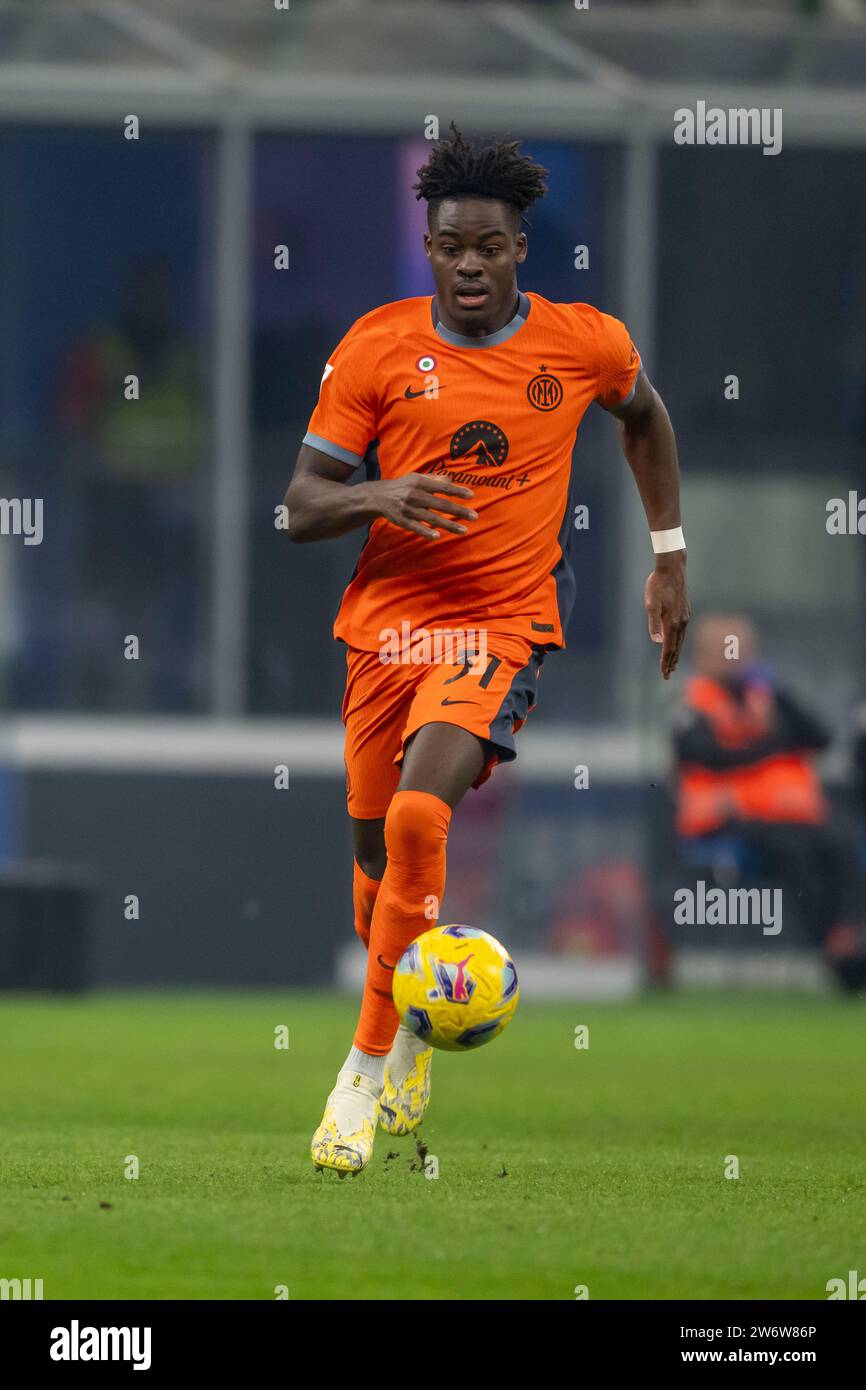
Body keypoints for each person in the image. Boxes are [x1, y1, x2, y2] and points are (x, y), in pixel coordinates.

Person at [283, 125, 689, 1175]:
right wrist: (379, 491)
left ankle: (359, 1077)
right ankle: (418, 1015)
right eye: (448, 245)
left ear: (520, 249)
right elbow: (296, 508)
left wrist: (668, 555)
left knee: (422, 812)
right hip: (384, 631)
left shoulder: (580, 343)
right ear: (426, 246)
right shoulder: (376, 348)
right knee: (374, 867)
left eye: (488, 246)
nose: (467, 262)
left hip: (500, 625)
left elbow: (642, 418)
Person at [674, 614, 866, 983]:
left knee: (839, 843)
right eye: (727, 649)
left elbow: (819, 737)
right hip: (726, 819)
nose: (735, 657)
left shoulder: (767, 696)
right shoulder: (693, 702)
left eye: (742, 649)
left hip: (788, 815)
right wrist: (773, 742)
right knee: (793, 852)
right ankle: (831, 947)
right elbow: (705, 753)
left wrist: (779, 693)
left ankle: (849, 933)